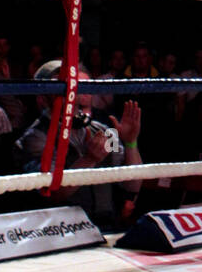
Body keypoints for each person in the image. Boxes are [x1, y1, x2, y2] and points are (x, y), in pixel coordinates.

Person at [16, 60, 143, 229]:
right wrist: (89, 160)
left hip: (106, 225)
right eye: (67, 89)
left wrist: (130, 143)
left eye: (82, 88)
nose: (78, 95)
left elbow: (132, 185)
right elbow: (53, 194)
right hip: (61, 230)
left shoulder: (104, 130)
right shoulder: (34, 137)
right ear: (43, 99)